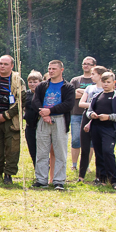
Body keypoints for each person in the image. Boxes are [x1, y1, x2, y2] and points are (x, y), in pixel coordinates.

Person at [31, 60, 75, 189]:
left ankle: (59, 180)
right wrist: (43, 114)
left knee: (60, 151)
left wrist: (51, 111)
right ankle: (41, 179)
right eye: (49, 68)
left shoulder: (68, 87)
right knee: (42, 151)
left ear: (61, 70)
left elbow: (69, 104)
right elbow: (35, 101)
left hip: (60, 119)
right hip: (43, 119)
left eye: (54, 69)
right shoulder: (42, 86)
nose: (51, 71)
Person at [84, 71, 116, 189]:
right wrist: (92, 115)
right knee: (98, 153)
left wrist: (110, 117)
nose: (105, 84)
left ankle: (113, 180)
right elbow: (88, 111)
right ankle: (100, 178)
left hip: (111, 128)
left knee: (108, 152)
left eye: (108, 82)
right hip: (96, 128)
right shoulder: (96, 96)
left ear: (114, 83)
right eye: (103, 82)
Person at [0, 55, 25, 185]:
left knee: (12, 148)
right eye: (0, 63)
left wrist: (5, 116)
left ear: (12, 66)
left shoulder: (17, 80)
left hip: (11, 120)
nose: (2, 66)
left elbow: (21, 100)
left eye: (5, 64)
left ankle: (8, 174)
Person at [75, 65, 107, 182]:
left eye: (93, 74)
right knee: (85, 148)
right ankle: (81, 176)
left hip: (100, 120)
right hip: (87, 117)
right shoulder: (89, 88)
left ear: (100, 75)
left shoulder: (105, 90)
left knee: (99, 149)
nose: (91, 76)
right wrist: (94, 106)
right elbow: (81, 103)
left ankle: (99, 176)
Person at [68, 56, 96, 172]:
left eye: (89, 64)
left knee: (90, 142)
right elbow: (70, 95)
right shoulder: (76, 80)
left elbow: (97, 95)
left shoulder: (96, 80)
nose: (86, 66)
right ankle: (74, 165)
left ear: (94, 66)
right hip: (76, 114)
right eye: (84, 63)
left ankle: (86, 166)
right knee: (75, 140)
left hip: (91, 114)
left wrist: (81, 92)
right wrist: (88, 93)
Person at [23, 70, 42, 167]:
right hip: (29, 126)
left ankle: (44, 170)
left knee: (42, 150)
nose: (32, 84)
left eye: (35, 82)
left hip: (41, 126)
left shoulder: (42, 94)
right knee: (32, 150)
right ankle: (37, 170)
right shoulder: (26, 94)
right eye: (30, 82)